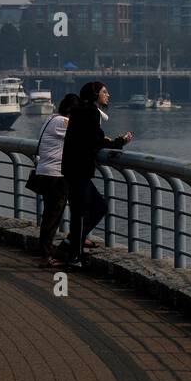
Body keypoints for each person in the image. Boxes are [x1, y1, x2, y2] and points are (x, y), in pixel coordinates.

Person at [60, 81, 133, 269]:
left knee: (93, 208)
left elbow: (91, 138)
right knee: (84, 213)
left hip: (71, 168)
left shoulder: (78, 111)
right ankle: (73, 255)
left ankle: (72, 245)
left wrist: (103, 139)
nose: (108, 95)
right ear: (95, 95)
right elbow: (95, 142)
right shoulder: (91, 112)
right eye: (104, 92)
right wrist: (120, 141)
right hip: (80, 169)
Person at [32, 93, 79, 267]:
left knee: (50, 215)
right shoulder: (62, 122)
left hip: (46, 173)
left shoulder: (51, 119)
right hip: (55, 175)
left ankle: (48, 252)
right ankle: (45, 255)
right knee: (52, 217)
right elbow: (81, 136)